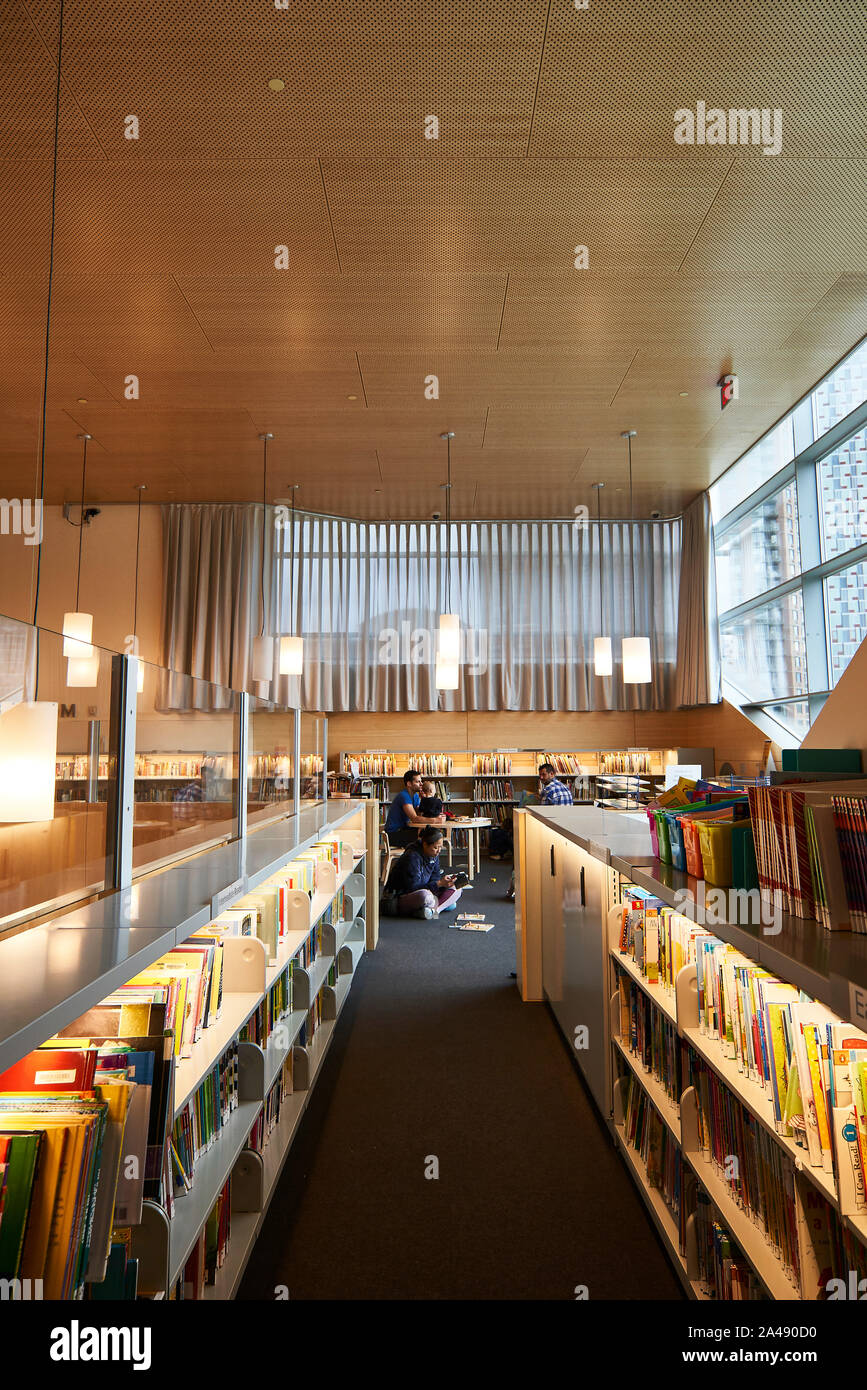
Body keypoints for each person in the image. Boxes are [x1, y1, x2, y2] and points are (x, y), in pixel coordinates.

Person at [386, 826, 461, 919]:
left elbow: (435, 878)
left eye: (440, 847)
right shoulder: (412, 857)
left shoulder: (434, 855)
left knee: (457, 888)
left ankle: (433, 911)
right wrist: (438, 884)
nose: (439, 851)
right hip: (401, 897)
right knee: (425, 896)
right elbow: (412, 888)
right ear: (425, 844)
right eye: (435, 847)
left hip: (427, 891)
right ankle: (435, 907)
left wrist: (444, 884)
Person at [384, 769, 446, 846]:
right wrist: (435, 820)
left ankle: (425, 857)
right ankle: (422, 857)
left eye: (421, 781)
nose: (421, 784)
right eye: (418, 782)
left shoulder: (415, 796)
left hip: (404, 829)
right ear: (409, 784)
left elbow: (420, 814)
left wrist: (425, 799)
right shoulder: (404, 796)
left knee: (428, 833)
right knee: (427, 836)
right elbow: (415, 818)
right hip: (394, 834)